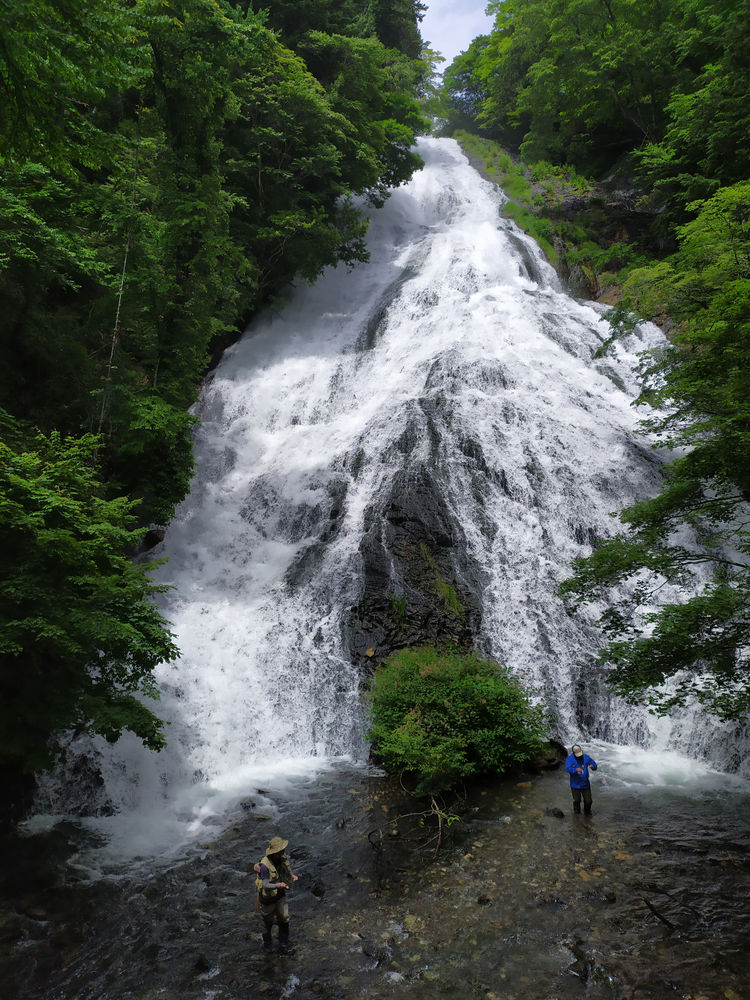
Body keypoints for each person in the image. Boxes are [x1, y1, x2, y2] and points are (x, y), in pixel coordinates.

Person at [256, 835, 298, 953]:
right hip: (268, 899)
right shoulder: (264, 866)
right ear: (274, 853)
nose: (283, 852)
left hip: (280, 896)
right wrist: (279, 885)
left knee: (284, 919)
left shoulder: (281, 858)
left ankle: (283, 944)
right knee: (268, 923)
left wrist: (291, 876)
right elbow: (265, 885)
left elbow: (285, 871)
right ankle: (268, 947)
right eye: (281, 851)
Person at [565, 743, 598, 815]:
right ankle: (577, 815)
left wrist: (593, 766)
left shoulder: (585, 757)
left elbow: (594, 764)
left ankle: (587, 813)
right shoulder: (569, 759)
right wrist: (575, 770)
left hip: (585, 784)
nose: (579, 756)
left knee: (588, 801)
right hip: (575, 784)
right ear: (573, 753)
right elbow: (568, 768)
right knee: (577, 800)